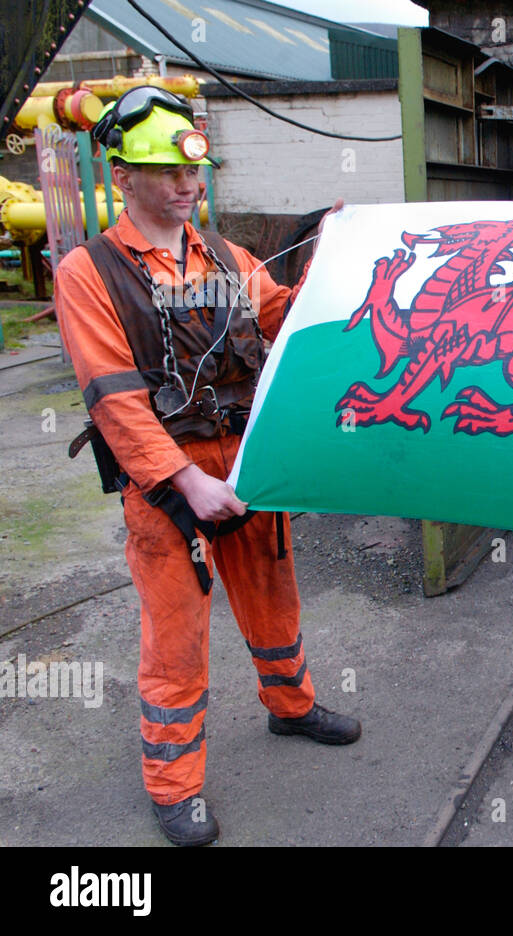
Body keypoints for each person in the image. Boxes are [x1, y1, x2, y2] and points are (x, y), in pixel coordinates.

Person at [55, 86, 358, 846]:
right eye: (167, 171)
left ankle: (291, 708)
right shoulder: (90, 273)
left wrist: (333, 256)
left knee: (273, 597)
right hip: (169, 481)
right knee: (176, 635)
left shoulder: (225, 256)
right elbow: (116, 398)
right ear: (122, 175)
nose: (188, 185)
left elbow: (279, 321)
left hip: (246, 459)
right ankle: (174, 785)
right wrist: (186, 482)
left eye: (195, 172)